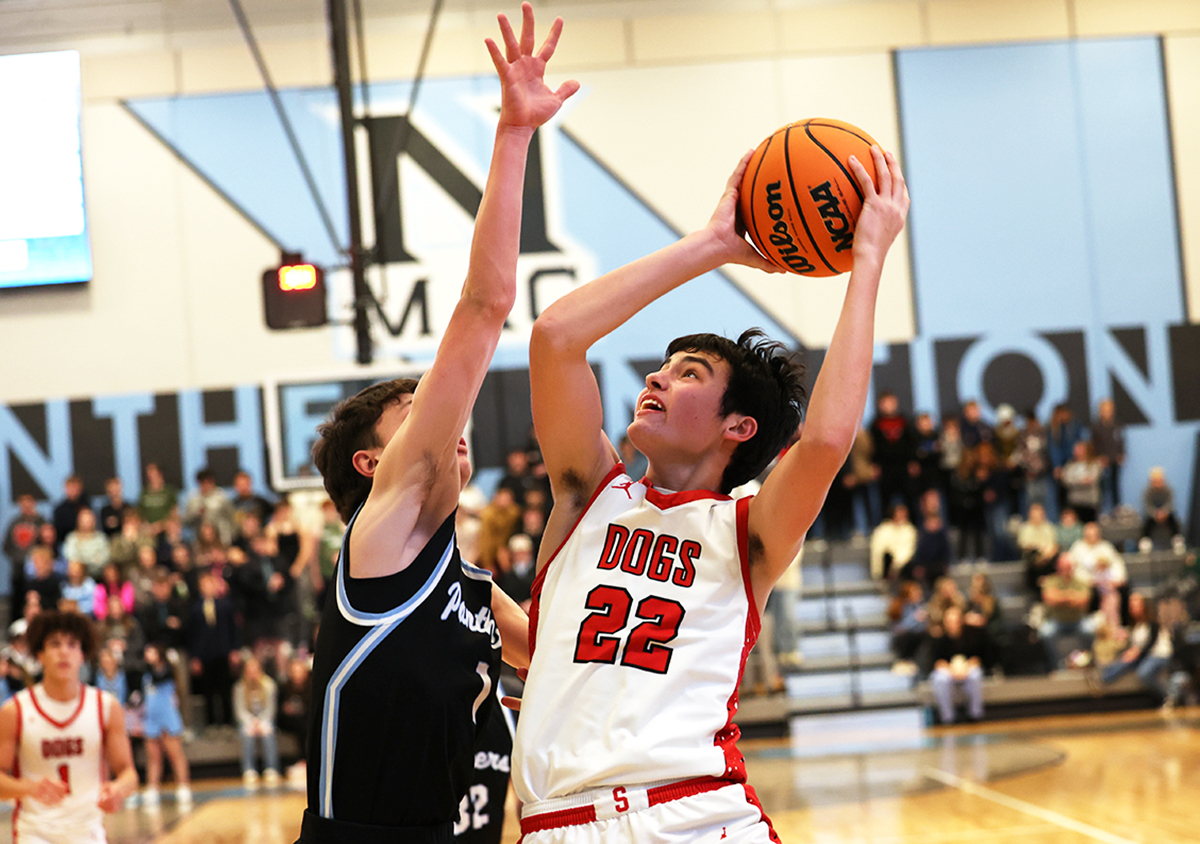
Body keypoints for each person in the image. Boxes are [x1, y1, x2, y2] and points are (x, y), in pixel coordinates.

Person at [512, 129, 907, 841]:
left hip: (699, 814)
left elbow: (822, 441)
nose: (657, 379)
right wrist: (713, 246)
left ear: (740, 428)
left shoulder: (746, 532)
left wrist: (868, 258)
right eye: (664, 367)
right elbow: (556, 338)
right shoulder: (586, 496)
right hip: (560, 823)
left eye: (689, 373)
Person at [298, 8, 577, 841]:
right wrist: (514, 134)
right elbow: (487, 304)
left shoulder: (474, 592)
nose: (444, 422)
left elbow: (565, 661)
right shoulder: (381, 541)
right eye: (415, 414)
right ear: (373, 462)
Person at [0, 610, 139, 843]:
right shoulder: (15, 710)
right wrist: (30, 788)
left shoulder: (105, 706)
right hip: (34, 832)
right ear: (40, 654)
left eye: (72, 645)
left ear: (83, 655)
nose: (64, 651)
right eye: (55, 644)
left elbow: (129, 774)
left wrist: (118, 790)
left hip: (88, 831)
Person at [138, 642, 192, 809]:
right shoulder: (145, 675)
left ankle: (183, 786)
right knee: (153, 757)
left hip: (167, 716)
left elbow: (163, 678)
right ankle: (152, 788)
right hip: (151, 718)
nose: (148, 655)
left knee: (175, 754)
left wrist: (171, 660)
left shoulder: (169, 671)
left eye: (151, 651)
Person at [929, 605, 985, 724]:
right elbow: (938, 662)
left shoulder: (971, 636)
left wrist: (965, 669)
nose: (952, 624)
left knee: (976, 675)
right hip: (948, 671)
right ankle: (947, 717)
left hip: (966, 669)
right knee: (941, 679)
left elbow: (976, 658)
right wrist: (952, 671)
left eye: (955, 621)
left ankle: (975, 714)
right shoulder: (939, 639)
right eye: (949, 621)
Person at [234, 655, 281, 790]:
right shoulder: (239, 687)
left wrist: (261, 722)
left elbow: (271, 709)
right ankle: (249, 769)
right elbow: (240, 711)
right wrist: (251, 722)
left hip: (265, 719)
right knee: (246, 733)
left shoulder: (269, 685)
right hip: (248, 720)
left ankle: (271, 768)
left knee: (268, 732)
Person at [869, 503, 917, 581]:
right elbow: (877, 552)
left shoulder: (910, 530)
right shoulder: (882, 530)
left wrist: (896, 566)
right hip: (886, 566)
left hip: (903, 568)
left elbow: (909, 551)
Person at [1140, 466, 1183, 550]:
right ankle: (1145, 541)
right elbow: (1147, 505)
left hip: (1166, 514)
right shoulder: (1148, 491)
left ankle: (1177, 539)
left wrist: (1164, 512)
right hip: (1153, 515)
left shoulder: (1168, 490)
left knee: (1173, 519)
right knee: (1147, 521)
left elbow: (1170, 503)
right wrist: (1155, 514)